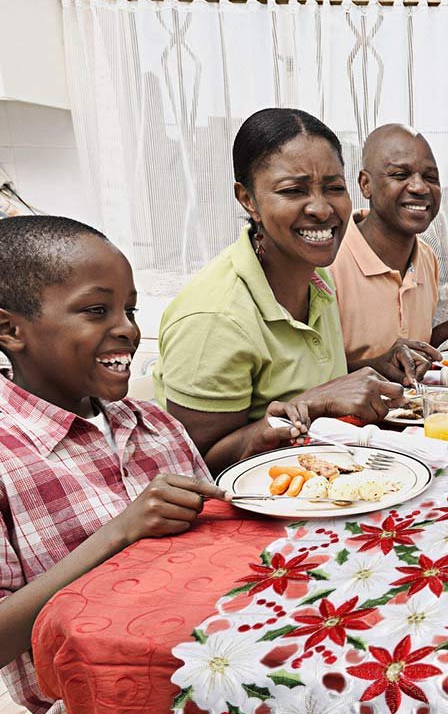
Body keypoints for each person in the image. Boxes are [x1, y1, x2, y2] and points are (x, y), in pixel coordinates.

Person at [0, 216, 227, 714]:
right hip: (104, 709)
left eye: (130, 310)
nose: (127, 328)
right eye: (97, 310)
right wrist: (119, 533)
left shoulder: (154, 424)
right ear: (10, 331)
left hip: (216, 652)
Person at [155, 108, 418, 474]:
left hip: (327, 477)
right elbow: (195, 463)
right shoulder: (215, 317)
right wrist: (318, 403)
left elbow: (303, 378)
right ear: (248, 200)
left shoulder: (315, 276)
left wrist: (374, 366)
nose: (321, 208)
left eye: (334, 188)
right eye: (293, 190)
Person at [332, 123, 448, 364]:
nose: (419, 187)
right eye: (400, 175)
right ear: (365, 184)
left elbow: (413, 347)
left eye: (430, 177)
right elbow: (311, 376)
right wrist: (378, 366)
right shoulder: (329, 261)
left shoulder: (426, 258)